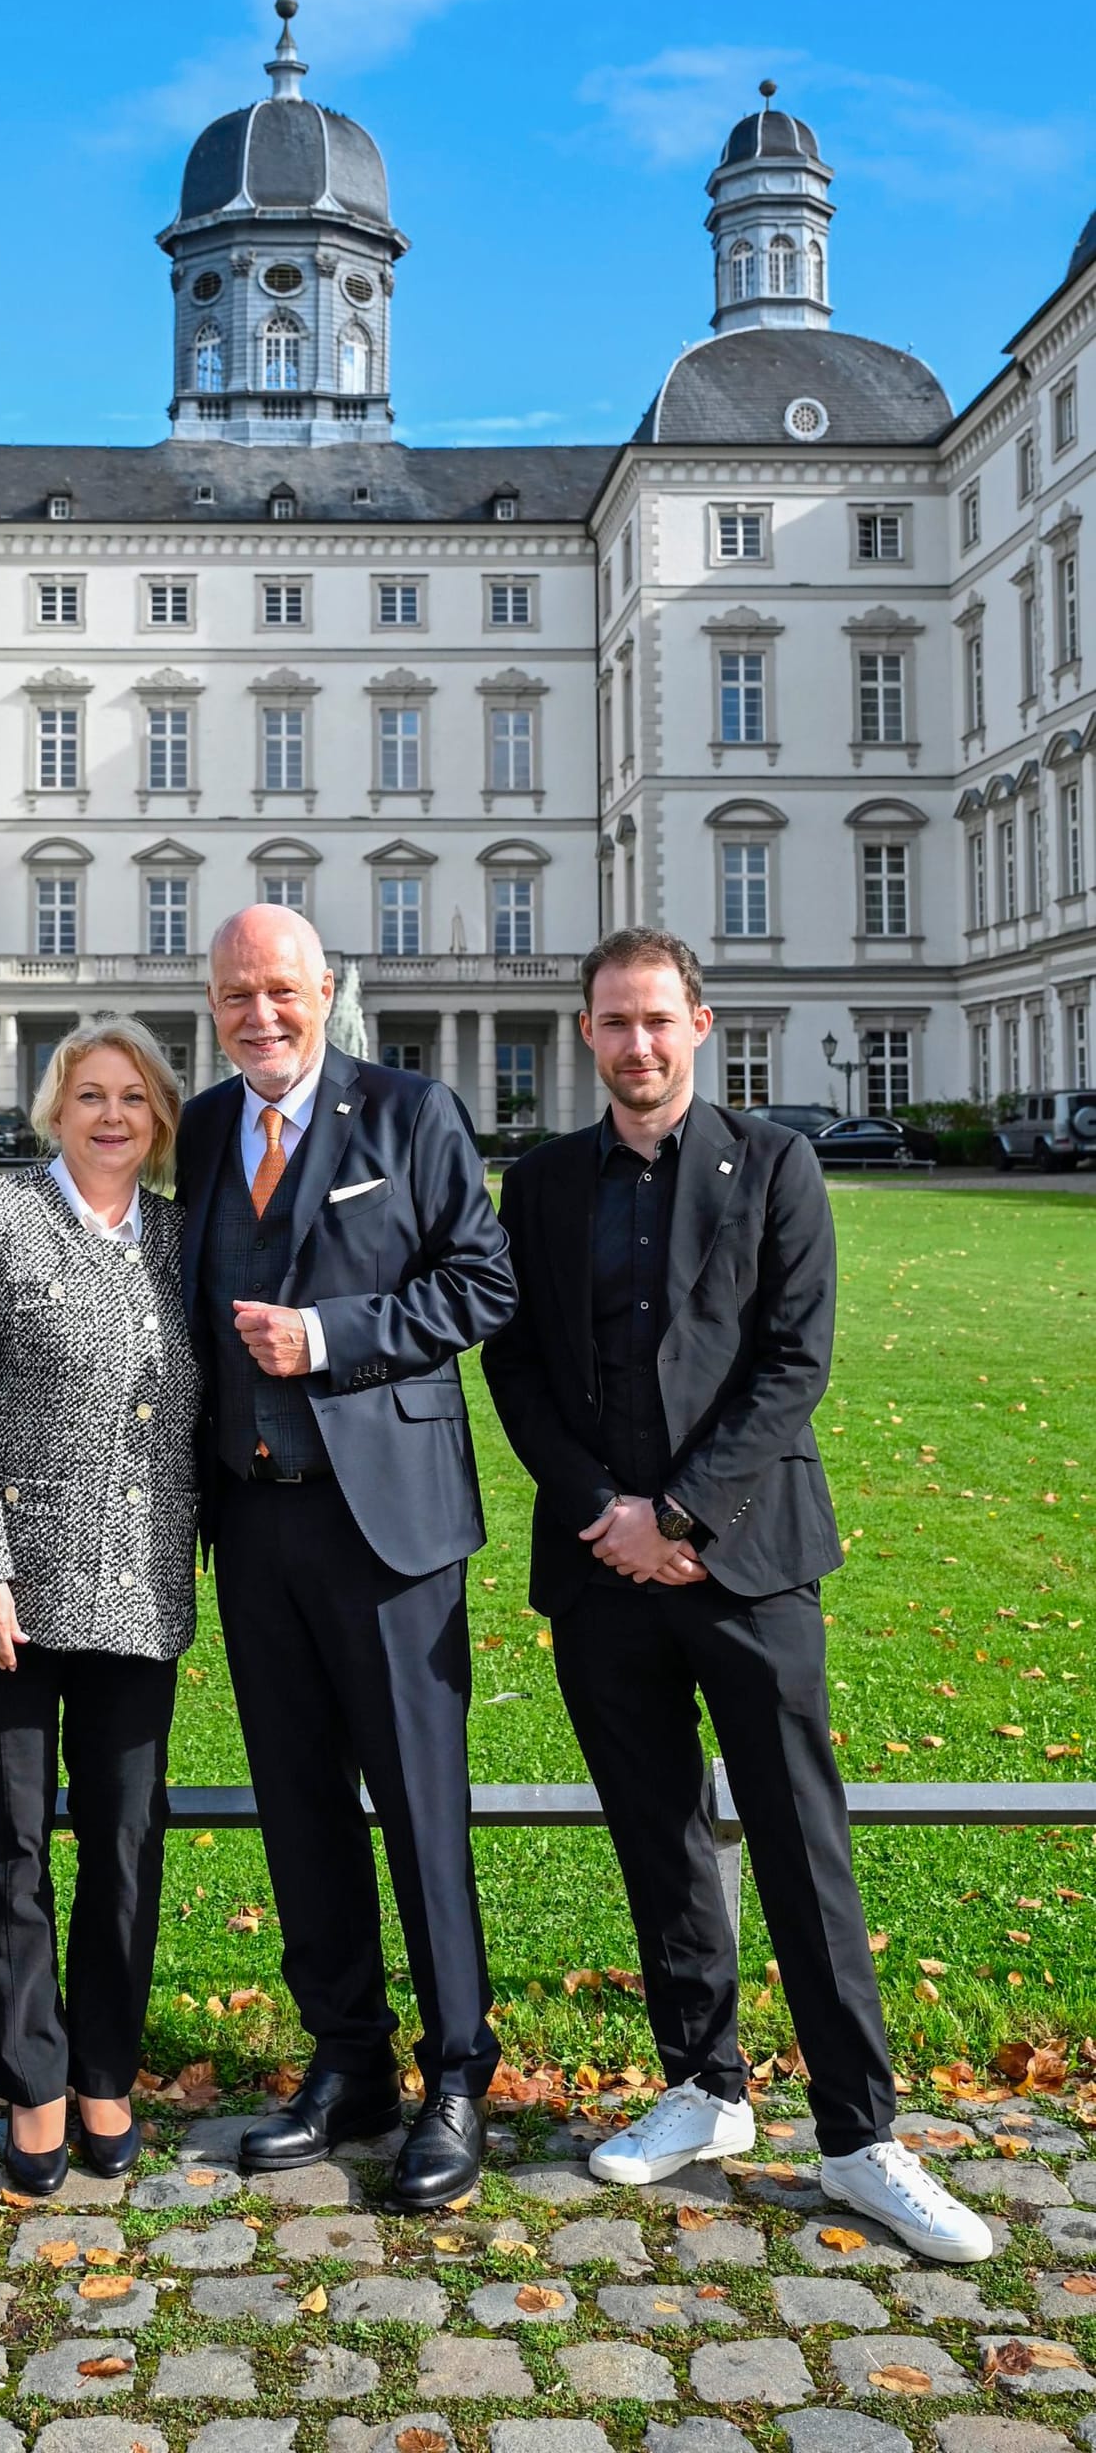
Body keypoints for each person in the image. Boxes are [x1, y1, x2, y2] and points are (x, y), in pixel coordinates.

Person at [481, 926, 993, 2263]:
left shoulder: (772, 1164)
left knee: (793, 1840)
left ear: (698, 1027)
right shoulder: (535, 1185)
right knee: (654, 1835)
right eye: (611, 1023)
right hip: (599, 1568)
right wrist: (604, 1514)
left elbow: (790, 1361)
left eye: (655, 1020)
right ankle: (702, 2087)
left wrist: (684, 1515)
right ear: (585, 1036)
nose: (634, 1045)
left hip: (746, 1557)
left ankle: (856, 2132)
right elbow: (516, 1370)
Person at [175, 906, 517, 2212]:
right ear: (209, 1007)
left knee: (418, 1806)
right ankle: (346, 2061)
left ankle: (457, 2074)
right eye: (231, 997)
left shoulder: (410, 1114)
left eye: (279, 991)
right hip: (253, 1522)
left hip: (387, 1525)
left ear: (325, 991)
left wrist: (327, 1337)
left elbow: (478, 1288)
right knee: (298, 1806)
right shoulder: (205, 1128)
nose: (258, 1016)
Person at [0, 1018, 202, 2197]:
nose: (112, 1115)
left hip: (136, 1585)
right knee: (11, 1843)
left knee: (126, 1844)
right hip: (5, 1596)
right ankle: (32, 2081)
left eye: (133, 1096)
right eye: (89, 1095)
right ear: (53, 1110)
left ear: (161, 1119)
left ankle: (104, 2072)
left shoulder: (179, 1238)